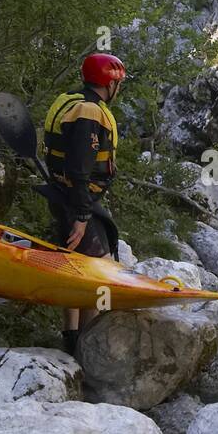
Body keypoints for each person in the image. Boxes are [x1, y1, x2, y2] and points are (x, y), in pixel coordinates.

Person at [41, 51, 126, 355]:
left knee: (73, 266)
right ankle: (88, 347)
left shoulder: (69, 99)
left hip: (62, 195)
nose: (119, 89)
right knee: (97, 274)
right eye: (118, 84)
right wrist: (82, 214)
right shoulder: (90, 112)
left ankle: (71, 337)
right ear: (109, 83)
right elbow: (79, 168)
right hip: (77, 199)